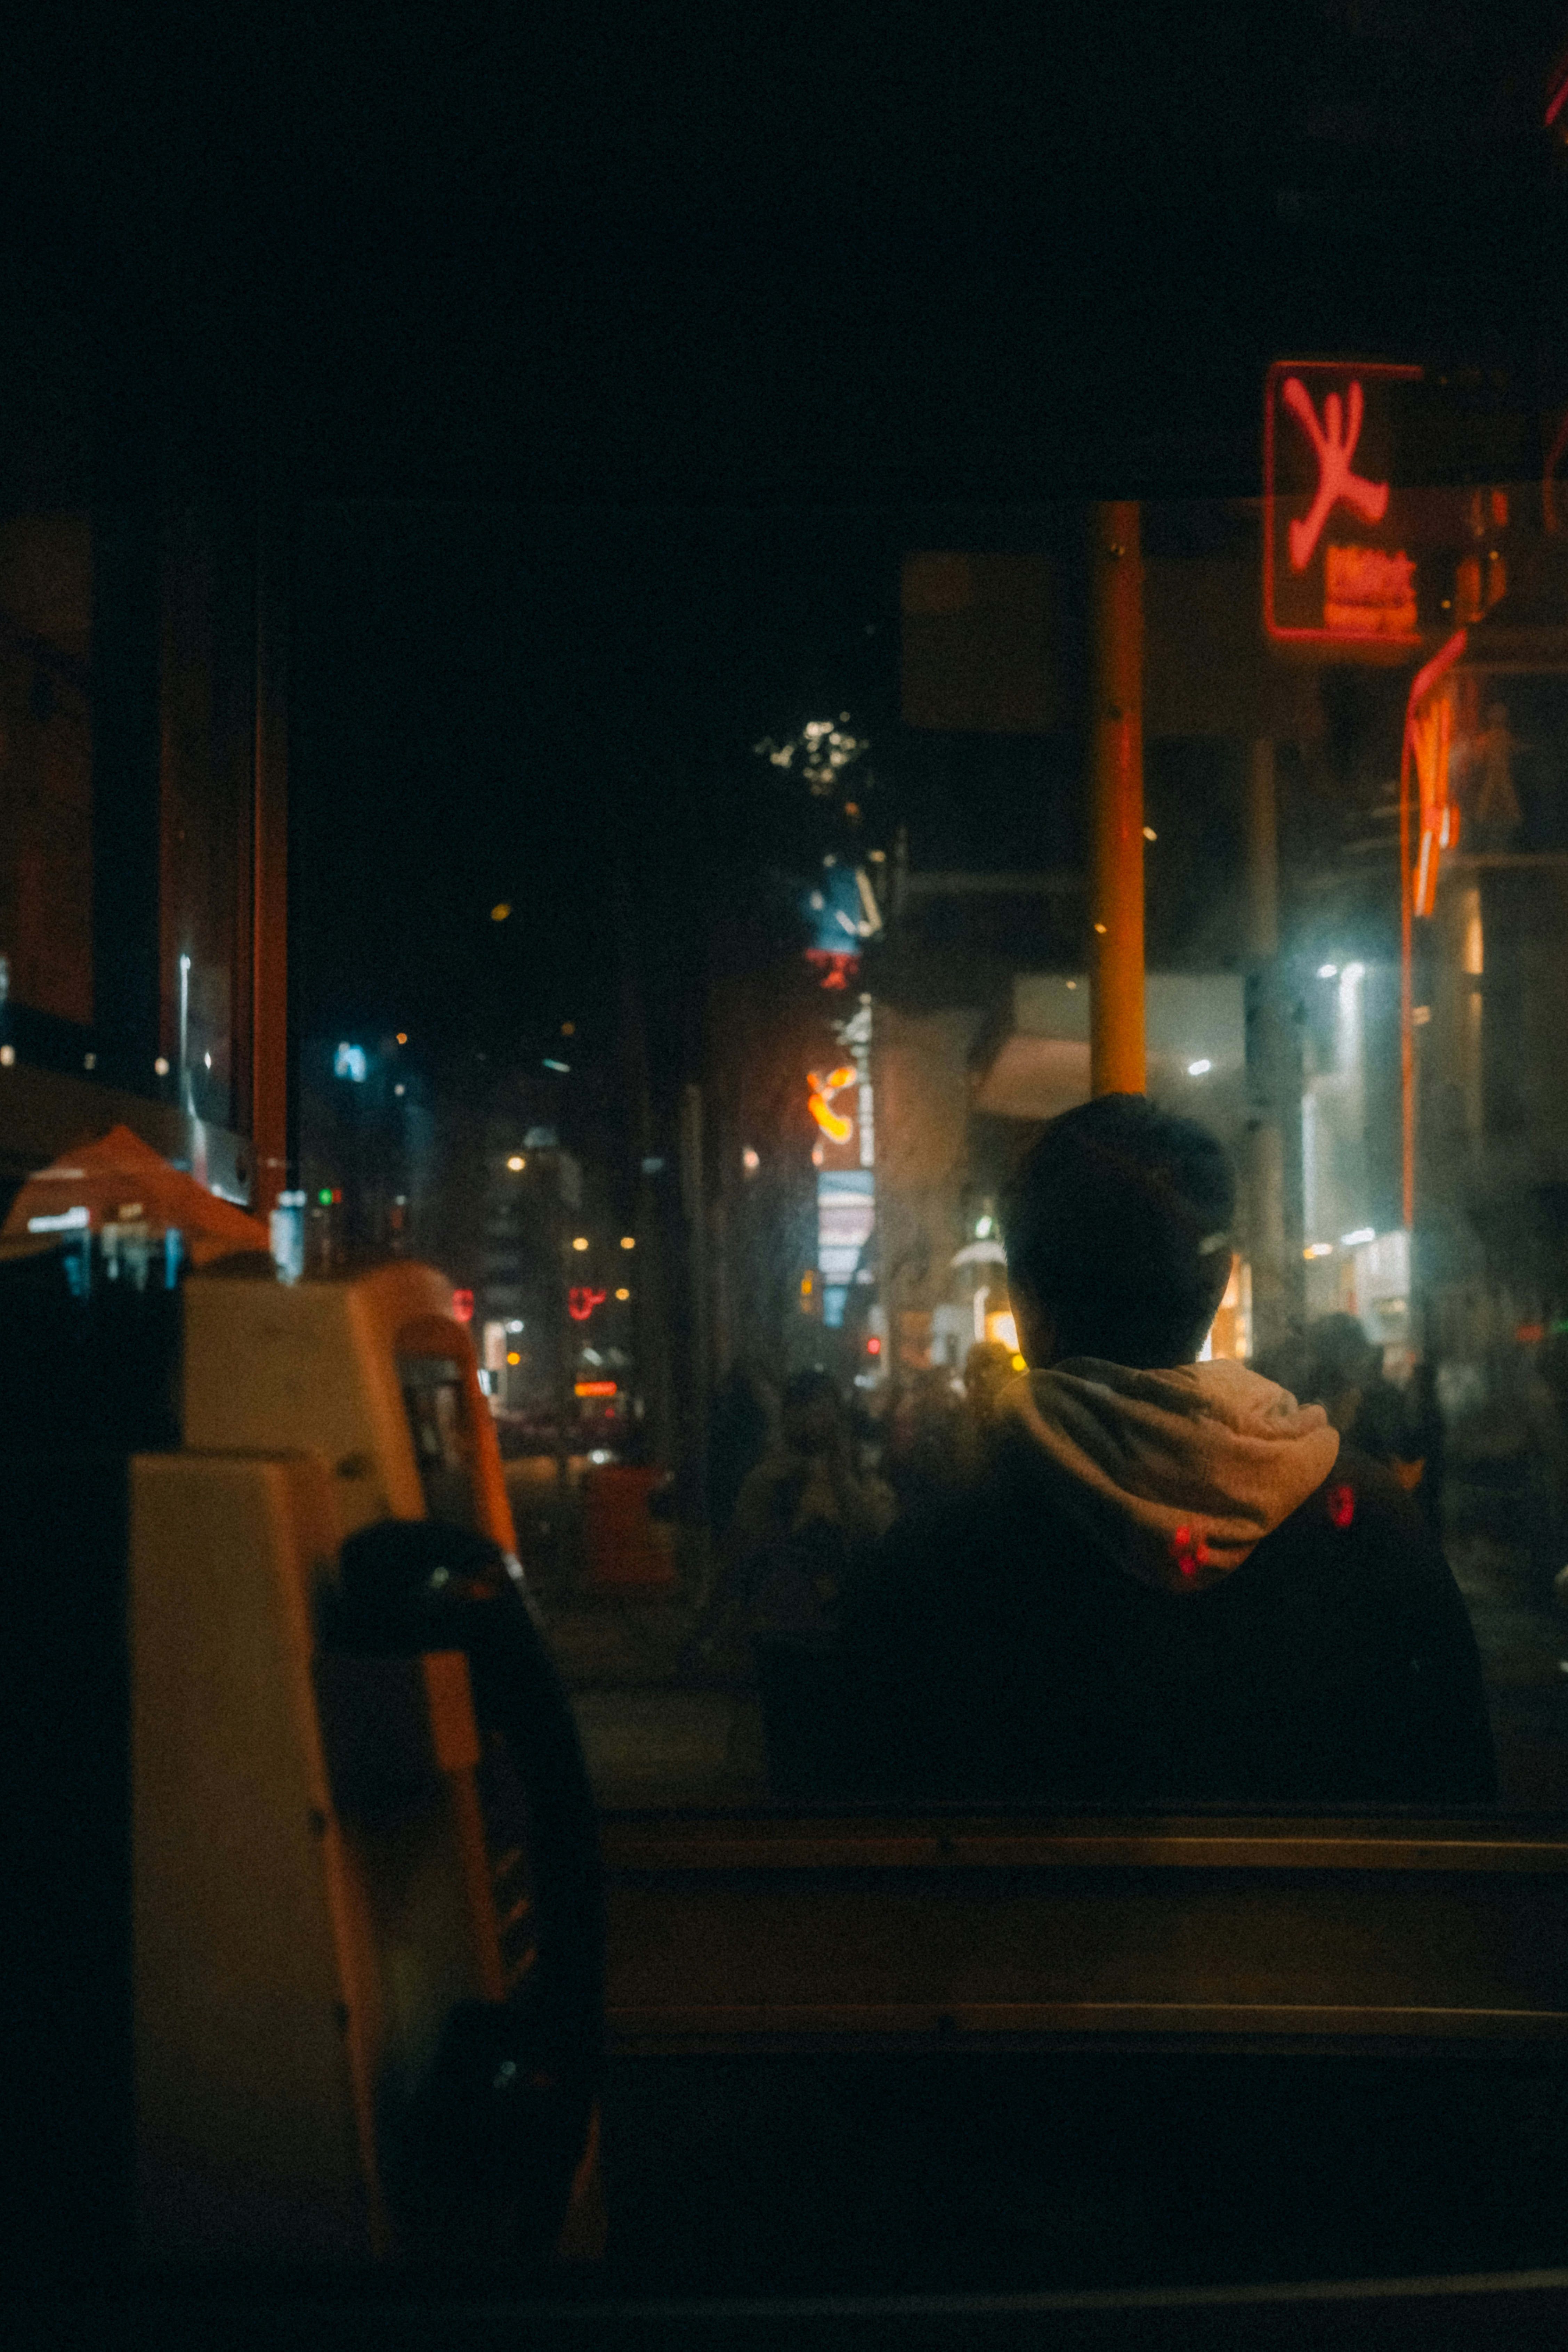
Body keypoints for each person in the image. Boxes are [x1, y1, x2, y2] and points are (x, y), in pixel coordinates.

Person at [838, 1094, 1496, 1808]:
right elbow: (1460, 1806)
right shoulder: (1368, 1524)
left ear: (1024, 1300)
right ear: (1218, 1282)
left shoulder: (937, 1557)